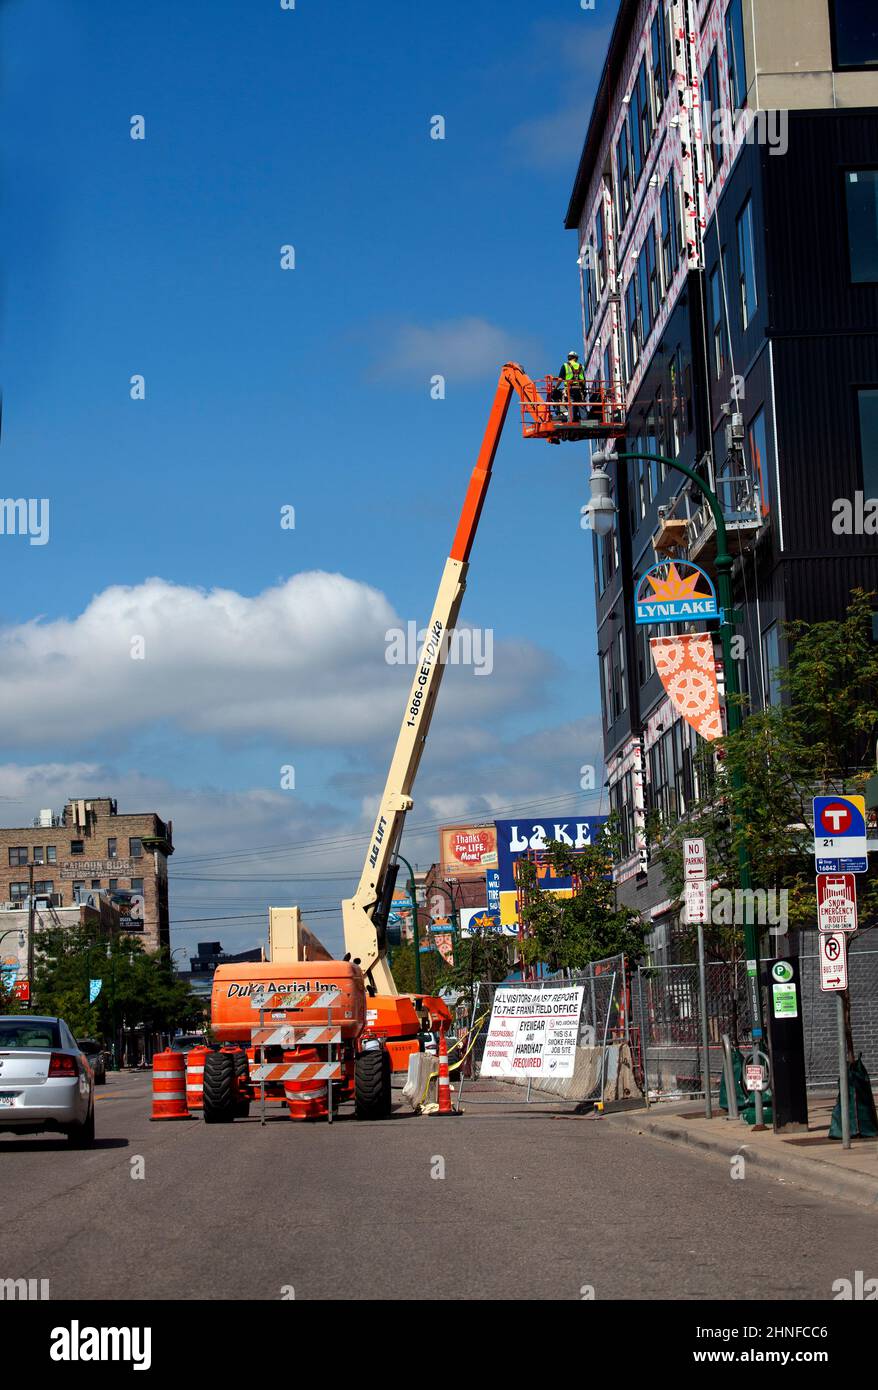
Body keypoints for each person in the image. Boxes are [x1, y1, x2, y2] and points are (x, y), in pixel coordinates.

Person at [554, 350, 586, 421]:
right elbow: (583, 381)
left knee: (570, 405)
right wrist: (583, 390)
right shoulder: (581, 366)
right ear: (575, 358)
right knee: (581, 405)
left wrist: (555, 388)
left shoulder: (565, 366)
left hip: (570, 389)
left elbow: (560, 380)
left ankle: (570, 420)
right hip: (579, 389)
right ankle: (585, 421)